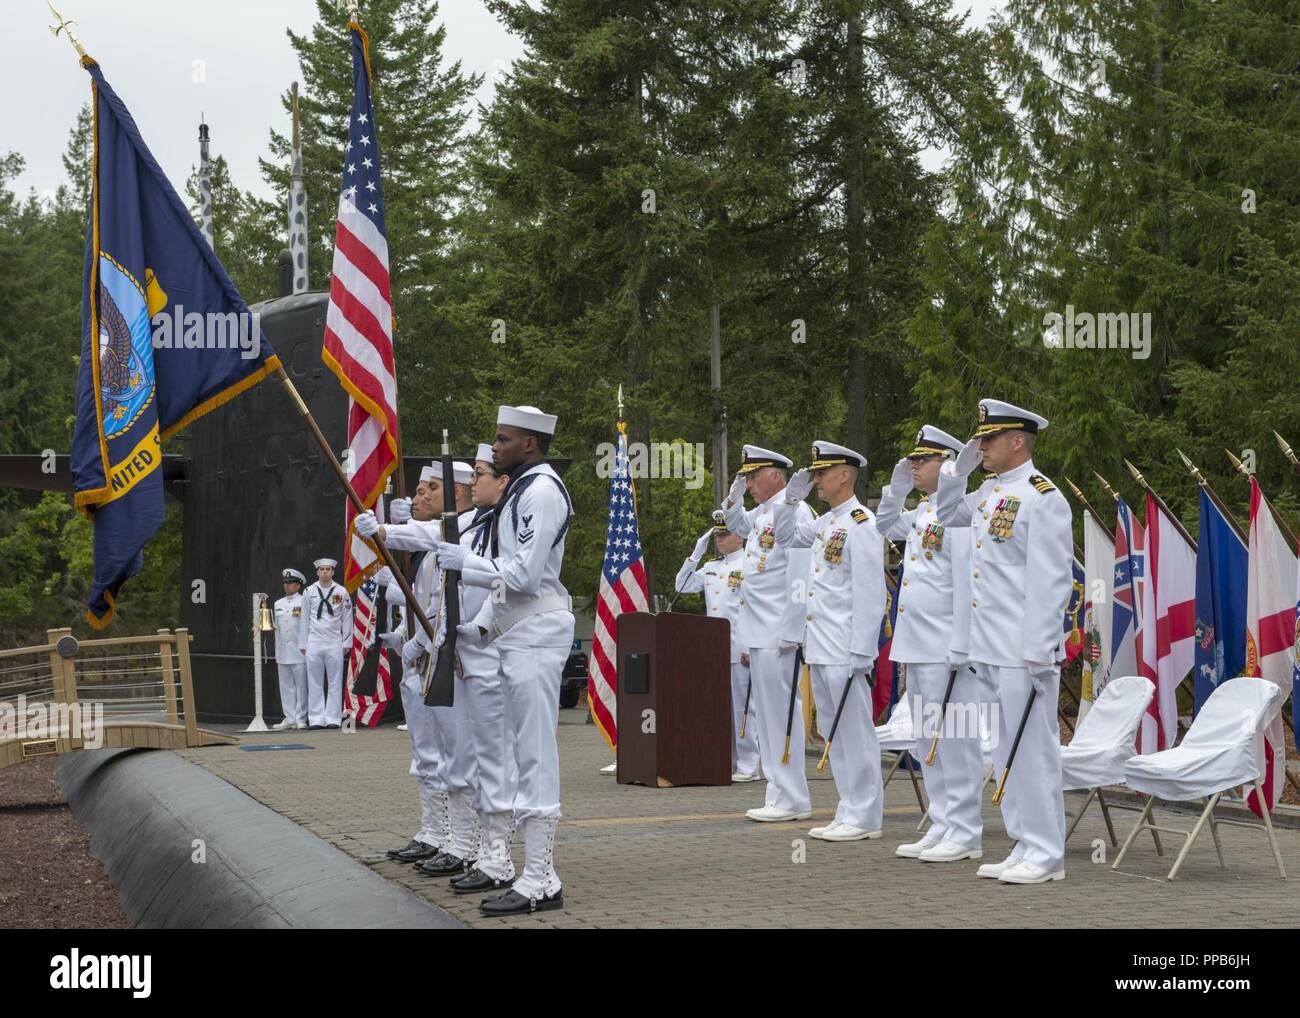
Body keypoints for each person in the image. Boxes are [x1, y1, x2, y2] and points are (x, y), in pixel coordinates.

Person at [437, 405, 574, 916]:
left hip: (538, 634)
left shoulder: (539, 490)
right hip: (520, 632)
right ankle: (531, 870)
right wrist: (482, 627)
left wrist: (464, 563)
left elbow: (522, 575)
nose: (494, 448)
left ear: (530, 445)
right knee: (523, 752)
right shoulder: (522, 488)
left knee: (535, 755)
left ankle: (541, 877)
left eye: (503, 439)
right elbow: (508, 588)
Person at [933, 399, 1073, 885]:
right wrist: (958, 469)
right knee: (1006, 746)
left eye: (988, 440)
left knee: (1032, 750)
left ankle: (1046, 851)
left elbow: (1052, 580)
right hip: (989, 646)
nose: (981, 447)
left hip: (1023, 649)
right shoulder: (989, 492)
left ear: (1018, 441)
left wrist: (1039, 649)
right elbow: (946, 512)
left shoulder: (1043, 497)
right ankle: (1023, 841)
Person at [876, 425, 986, 862]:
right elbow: (885, 525)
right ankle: (942, 822)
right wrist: (896, 489)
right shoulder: (924, 511)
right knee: (927, 741)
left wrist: (962, 645)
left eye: (922, 461)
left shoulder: (962, 513)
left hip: (947, 647)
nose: (915, 467)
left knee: (956, 739)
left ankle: (965, 830)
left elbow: (965, 583)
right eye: (913, 462)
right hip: (918, 643)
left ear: (950, 464)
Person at [774, 442, 886, 842]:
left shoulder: (862, 523)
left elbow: (870, 593)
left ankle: (866, 814)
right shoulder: (824, 525)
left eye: (823, 472)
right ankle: (848, 807)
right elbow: (784, 537)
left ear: (845, 474)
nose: (816, 479)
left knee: (855, 731)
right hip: (820, 644)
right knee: (834, 733)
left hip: (845, 647)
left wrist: (863, 651)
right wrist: (789, 500)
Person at [721, 445, 815, 823]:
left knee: (781, 716)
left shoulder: (795, 511)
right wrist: (735, 494)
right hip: (758, 630)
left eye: (754, 477)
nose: (750, 484)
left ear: (776, 475)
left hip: (778, 631)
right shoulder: (761, 514)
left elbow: (799, 576)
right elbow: (734, 523)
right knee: (768, 718)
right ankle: (778, 790)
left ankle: (793, 796)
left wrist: (793, 628)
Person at [673, 510, 759, 782]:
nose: (719, 539)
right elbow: (682, 585)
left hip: (739, 648)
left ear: (741, 536)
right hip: (715, 650)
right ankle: (728, 761)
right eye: (717, 535)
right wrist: (695, 554)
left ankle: (749, 765)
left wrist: (749, 645)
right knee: (721, 710)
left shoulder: (750, 563)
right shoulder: (711, 567)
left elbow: (754, 609)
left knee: (744, 709)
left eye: (725, 534)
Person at [298, 558, 352, 729]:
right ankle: (316, 719)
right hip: (314, 640)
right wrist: (303, 643)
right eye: (322, 569)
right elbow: (304, 618)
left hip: (334, 641)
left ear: (333, 572)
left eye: (328, 569)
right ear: (317, 572)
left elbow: (347, 618)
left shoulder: (341, 591)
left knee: (335, 681)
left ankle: (333, 718)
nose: (325, 572)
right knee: (314, 681)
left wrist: (346, 642)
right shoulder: (309, 591)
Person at [271, 568, 308, 730]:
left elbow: (307, 626)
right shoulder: (278, 603)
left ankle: (301, 717)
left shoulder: (304, 602)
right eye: (285, 583)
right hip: (283, 650)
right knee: (285, 686)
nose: (287, 586)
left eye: (291, 583)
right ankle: (289, 717)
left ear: (298, 585)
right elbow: (277, 628)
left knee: (301, 686)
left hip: (299, 651)